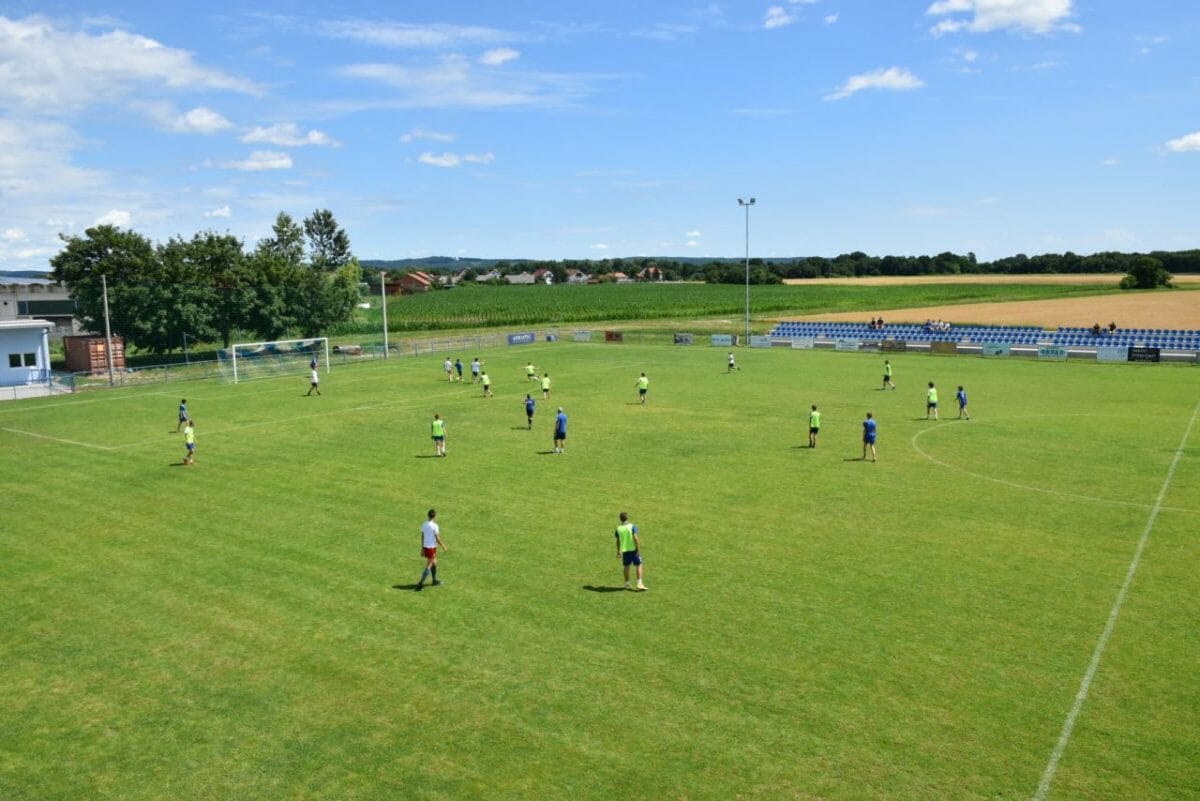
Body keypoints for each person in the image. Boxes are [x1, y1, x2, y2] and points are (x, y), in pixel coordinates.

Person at [415, 508, 448, 591]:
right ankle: (420, 584)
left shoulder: (424, 524)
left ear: (428, 515)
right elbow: (437, 538)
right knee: (429, 566)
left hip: (426, 547)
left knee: (434, 563)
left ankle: (434, 580)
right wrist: (443, 546)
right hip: (431, 548)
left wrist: (422, 548)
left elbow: (422, 536)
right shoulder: (435, 526)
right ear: (435, 516)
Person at [615, 511, 646, 591]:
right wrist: (638, 549)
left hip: (625, 550)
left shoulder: (618, 528)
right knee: (639, 564)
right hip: (633, 550)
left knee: (626, 566)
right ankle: (639, 583)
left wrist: (618, 551)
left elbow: (618, 541)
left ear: (620, 519)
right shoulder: (632, 526)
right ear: (627, 518)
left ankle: (626, 583)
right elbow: (635, 538)